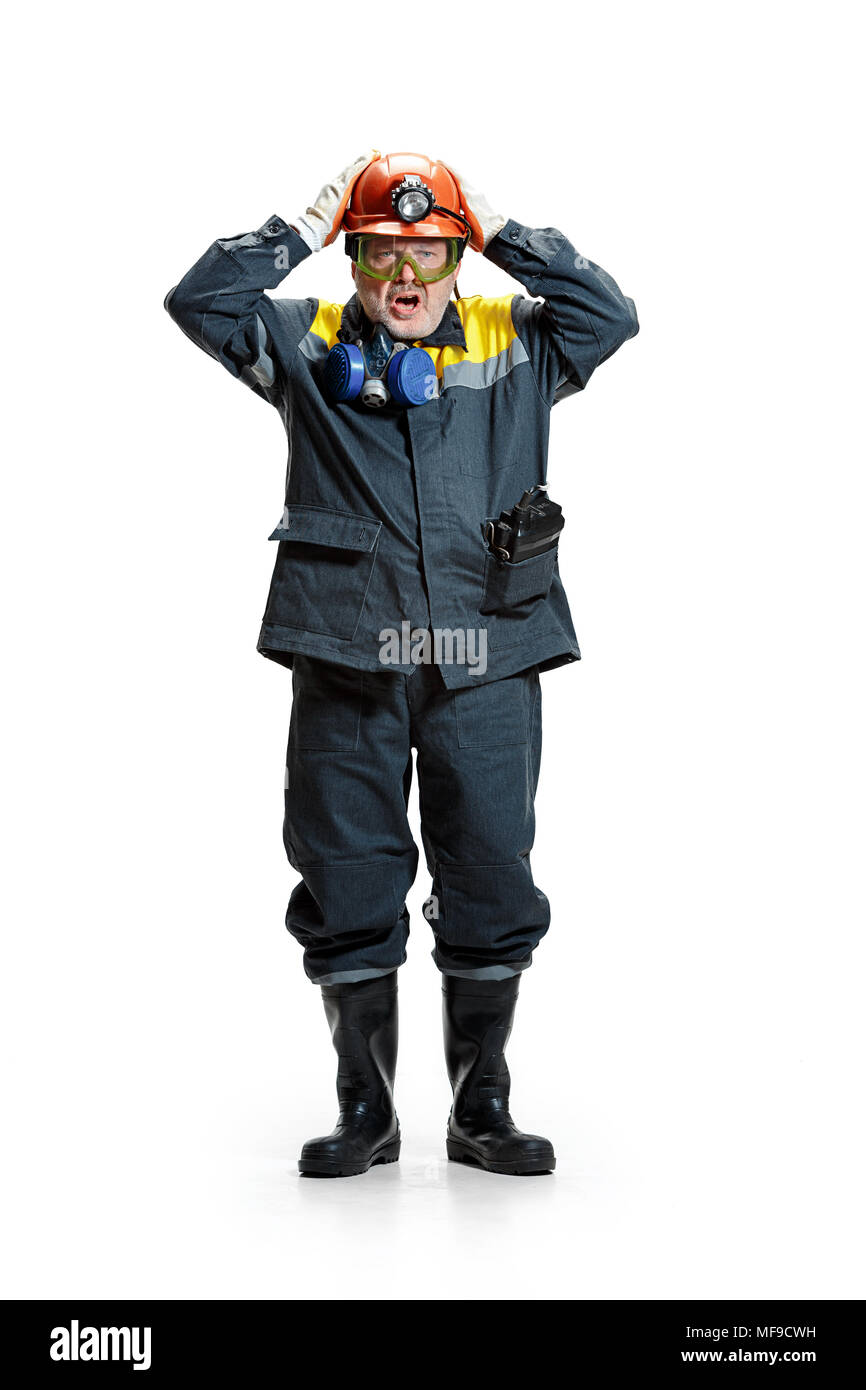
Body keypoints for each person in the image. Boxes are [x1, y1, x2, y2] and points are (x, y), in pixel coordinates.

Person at [165, 151, 638, 1178]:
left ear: (456, 259)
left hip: (486, 650)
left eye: (427, 250)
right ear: (357, 261)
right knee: (344, 871)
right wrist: (302, 223)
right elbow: (201, 302)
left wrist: (499, 222)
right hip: (347, 650)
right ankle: (365, 1108)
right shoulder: (304, 338)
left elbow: (608, 316)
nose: (406, 276)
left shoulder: (519, 342)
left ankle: (482, 1105)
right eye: (383, 252)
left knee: (490, 870)